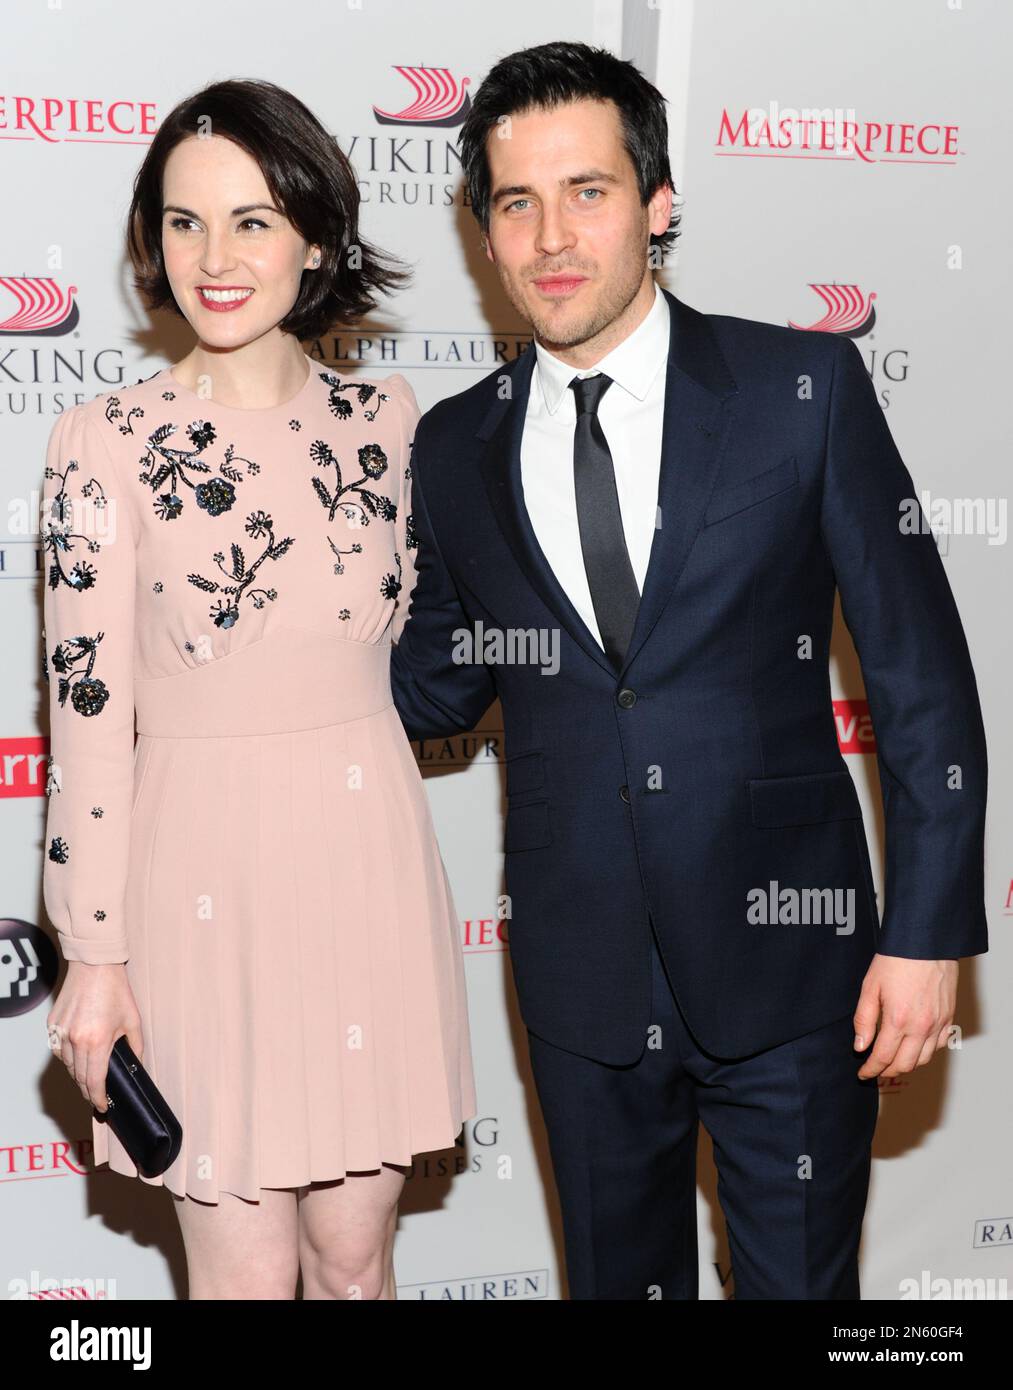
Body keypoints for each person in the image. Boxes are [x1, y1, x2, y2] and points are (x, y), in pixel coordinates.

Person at [389, 42, 988, 1300]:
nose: (552, 235)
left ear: (658, 206)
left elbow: (920, 675)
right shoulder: (449, 449)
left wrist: (927, 932)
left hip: (794, 969)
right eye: (514, 202)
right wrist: (240, 675)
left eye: (588, 191)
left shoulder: (798, 390)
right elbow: (437, 685)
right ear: (483, 234)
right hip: (581, 982)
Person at [41, 78, 474, 1301]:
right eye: (183, 222)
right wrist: (97, 952)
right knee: (240, 1280)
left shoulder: (387, 423)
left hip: (365, 869)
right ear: (150, 242)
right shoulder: (102, 442)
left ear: (316, 238)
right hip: (196, 891)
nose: (214, 258)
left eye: (250, 220)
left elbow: (422, 647)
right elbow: (85, 721)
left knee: (355, 1265)